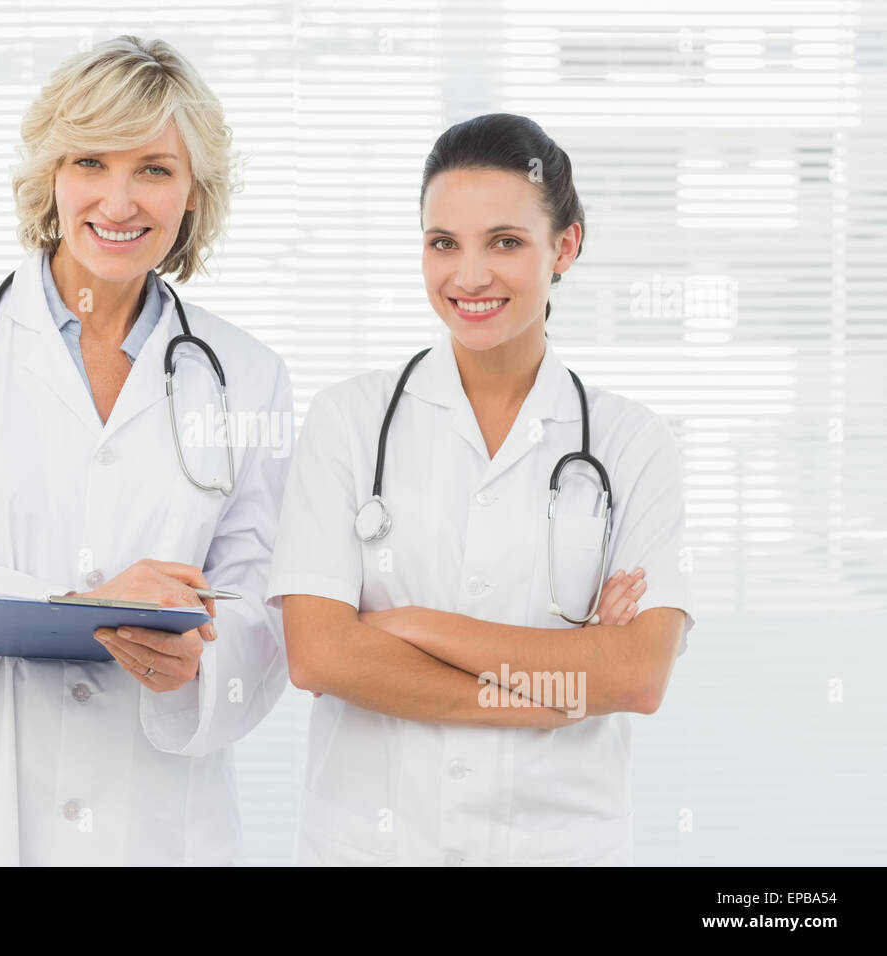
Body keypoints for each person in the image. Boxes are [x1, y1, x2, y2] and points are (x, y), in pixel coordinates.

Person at [0, 35, 293, 866]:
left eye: (154, 168)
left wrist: (197, 667)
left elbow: (263, 618)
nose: (118, 200)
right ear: (50, 177)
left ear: (192, 193)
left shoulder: (247, 377)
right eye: (90, 161)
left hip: (159, 826)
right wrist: (70, 602)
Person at [266, 113, 695, 866]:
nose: (468, 276)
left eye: (505, 242)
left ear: (565, 247)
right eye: (443, 244)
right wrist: (559, 685)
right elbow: (319, 657)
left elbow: (636, 674)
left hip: (558, 842)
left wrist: (416, 626)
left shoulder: (631, 443)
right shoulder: (348, 421)